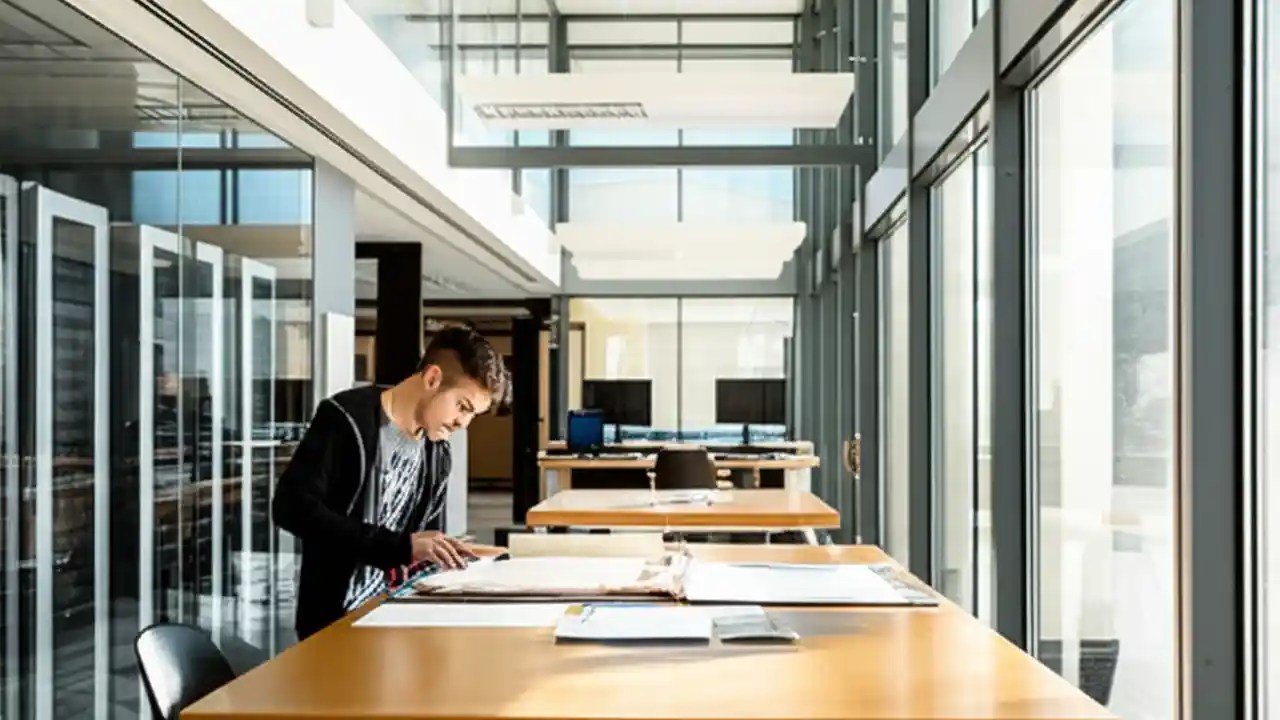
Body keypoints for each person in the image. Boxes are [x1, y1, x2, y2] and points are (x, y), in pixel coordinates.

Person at [273, 325, 511, 639]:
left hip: (392, 615)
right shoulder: (346, 419)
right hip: (333, 621)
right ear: (432, 379)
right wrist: (399, 547)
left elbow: (419, 546)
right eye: (462, 407)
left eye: (472, 415)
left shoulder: (437, 453)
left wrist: (453, 554)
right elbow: (292, 508)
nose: (462, 424)